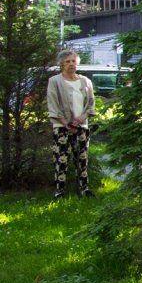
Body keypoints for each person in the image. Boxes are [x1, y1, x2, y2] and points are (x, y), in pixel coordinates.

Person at [46, 49, 96, 199]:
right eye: (67, 61)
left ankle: (83, 189)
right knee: (61, 159)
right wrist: (66, 123)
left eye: (73, 61)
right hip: (62, 127)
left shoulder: (86, 81)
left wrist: (81, 119)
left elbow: (91, 104)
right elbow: (53, 104)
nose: (71, 64)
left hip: (82, 126)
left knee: (82, 158)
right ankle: (59, 191)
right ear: (62, 64)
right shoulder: (55, 81)